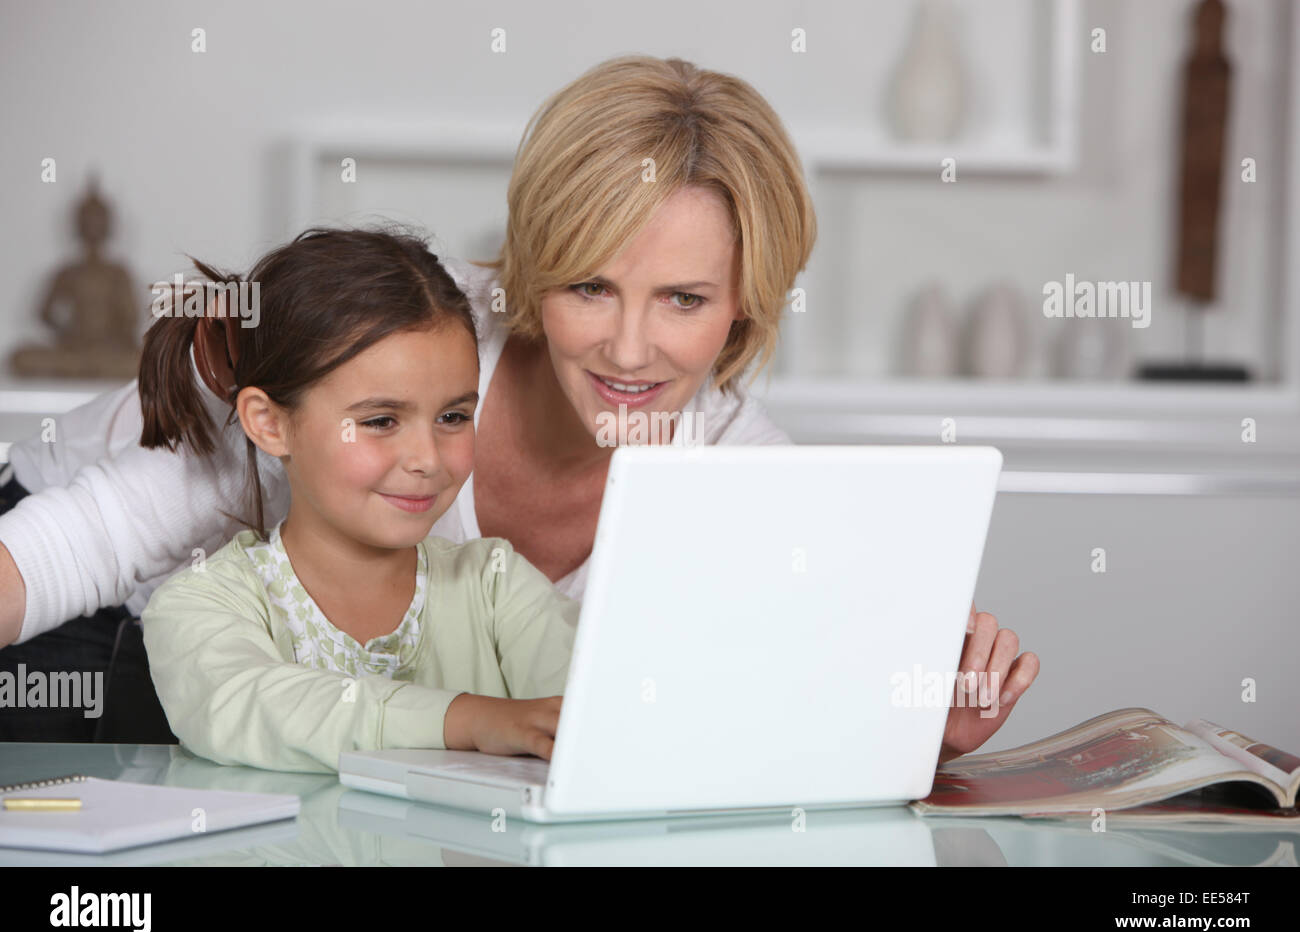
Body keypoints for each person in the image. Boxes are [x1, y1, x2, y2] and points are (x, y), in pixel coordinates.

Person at [0, 55, 1037, 755]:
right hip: (75, 598)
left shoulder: (739, 470)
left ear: (743, 310)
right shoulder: (406, 350)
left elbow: (757, 691)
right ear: (535, 268)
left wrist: (916, 716)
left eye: (682, 299)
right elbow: (81, 543)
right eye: (589, 285)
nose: (629, 347)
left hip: (313, 697)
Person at [139, 227, 578, 773]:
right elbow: (255, 706)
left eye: (453, 417)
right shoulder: (200, 604)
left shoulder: (497, 587)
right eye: (380, 421)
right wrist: (467, 719)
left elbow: (602, 711)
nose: (426, 458)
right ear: (269, 423)